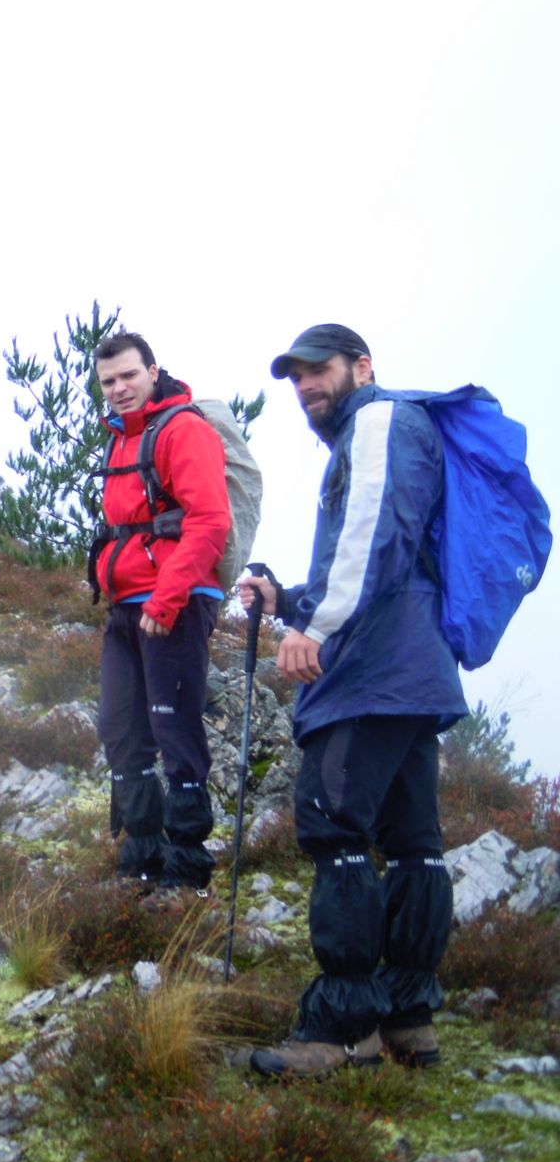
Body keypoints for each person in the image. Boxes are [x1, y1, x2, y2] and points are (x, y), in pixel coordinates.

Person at [239, 323, 467, 1077]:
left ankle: (345, 1032)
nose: (307, 388)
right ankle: (409, 1020)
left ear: (361, 367)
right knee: (413, 846)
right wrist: (286, 599)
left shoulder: (378, 420)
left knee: (333, 830)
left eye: (319, 370)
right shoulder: (386, 434)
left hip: (369, 674)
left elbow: (374, 539)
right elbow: (381, 557)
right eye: (296, 379)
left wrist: (316, 624)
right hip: (415, 670)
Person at [90, 332, 230, 905]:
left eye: (128, 376)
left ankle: (187, 865)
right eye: (108, 382)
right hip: (126, 610)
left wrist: (166, 599)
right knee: (121, 731)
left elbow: (210, 521)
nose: (119, 389)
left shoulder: (183, 430)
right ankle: (141, 855)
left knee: (175, 732)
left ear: (152, 370)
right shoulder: (123, 441)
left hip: (171, 605)